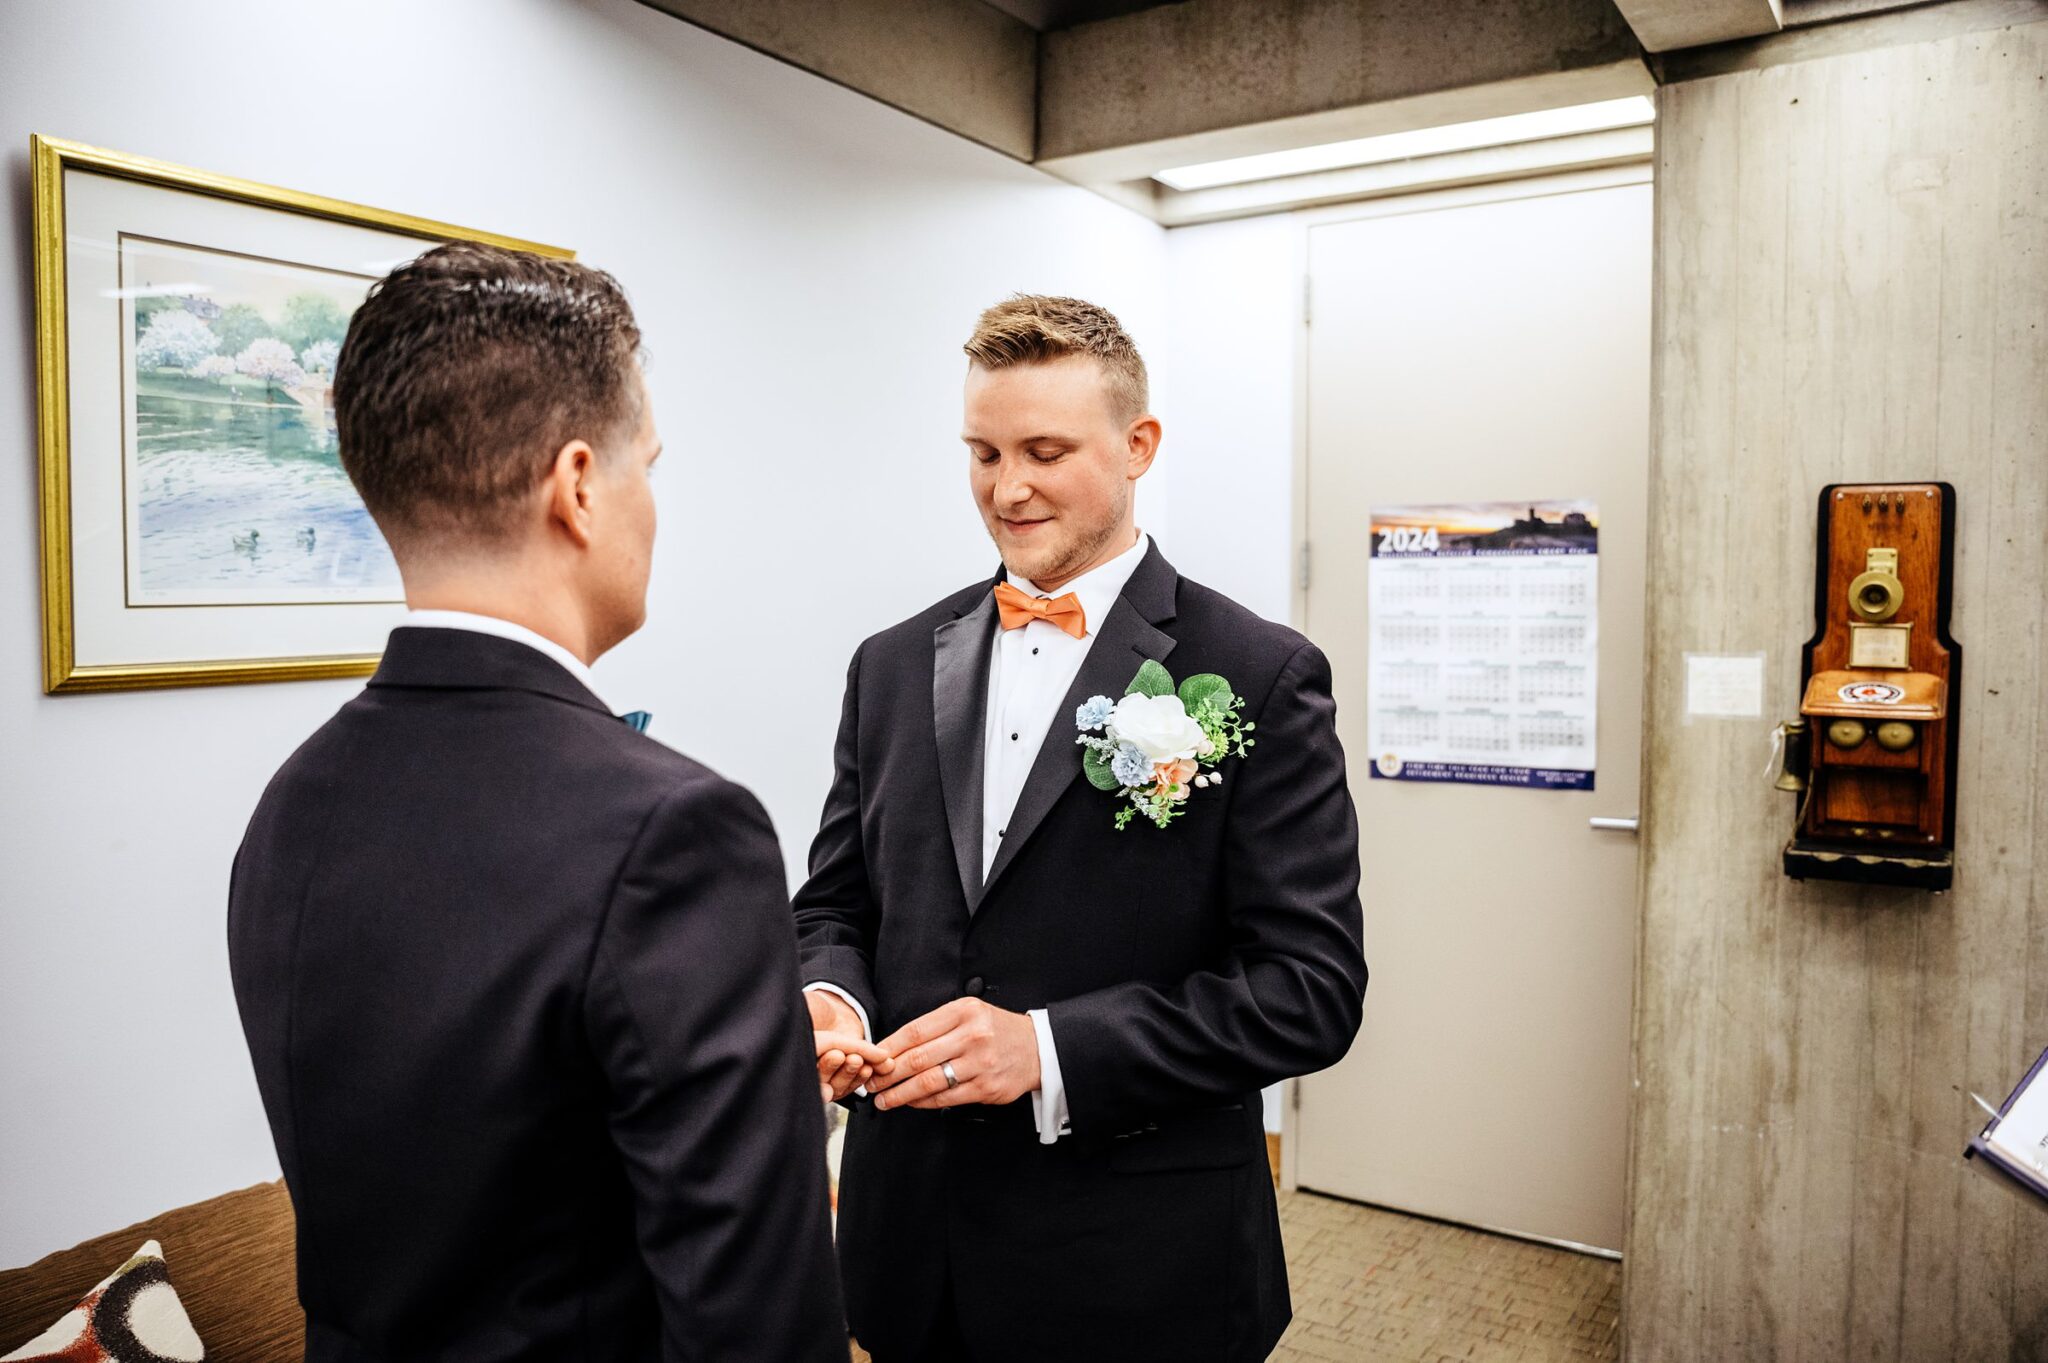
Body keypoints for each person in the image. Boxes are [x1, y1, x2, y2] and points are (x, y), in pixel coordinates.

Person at [227, 243, 860, 1361]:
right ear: (577, 486)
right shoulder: (675, 832)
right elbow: (755, 1318)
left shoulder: (293, 801)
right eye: (646, 468)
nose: (651, 508)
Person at [795, 295, 1368, 1362]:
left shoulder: (1255, 673)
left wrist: (1049, 1048)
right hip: (907, 1242)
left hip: (1135, 1261)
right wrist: (828, 996)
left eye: (1044, 451)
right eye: (982, 452)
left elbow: (1311, 991)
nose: (1005, 488)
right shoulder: (887, 664)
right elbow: (834, 903)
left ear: (1137, 445)